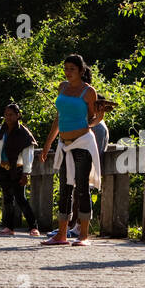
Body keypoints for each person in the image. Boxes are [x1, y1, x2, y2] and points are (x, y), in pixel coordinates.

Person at [39, 54, 111, 246]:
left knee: (81, 188)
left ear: (80, 70)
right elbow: (58, 117)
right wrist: (48, 144)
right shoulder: (62, 87)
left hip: (83, 144)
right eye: (66, 68)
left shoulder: (89, 92)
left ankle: (83, 235)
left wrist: (101, 113)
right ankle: (61, 234)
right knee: (64, 189)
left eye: (72, 68)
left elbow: (92, 120)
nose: (68, 72)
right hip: (64, 144)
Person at [0, 103, 40, 236]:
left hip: (18, 169)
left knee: (20, 198)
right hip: (3, 168)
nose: (8, 117)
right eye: (6, 115)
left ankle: (33, 226)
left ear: (18, 115)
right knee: (7, 198)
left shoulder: (23, 134)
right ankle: (9, 227)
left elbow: (28, 155)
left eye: (11, 115)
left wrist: (26, 173)